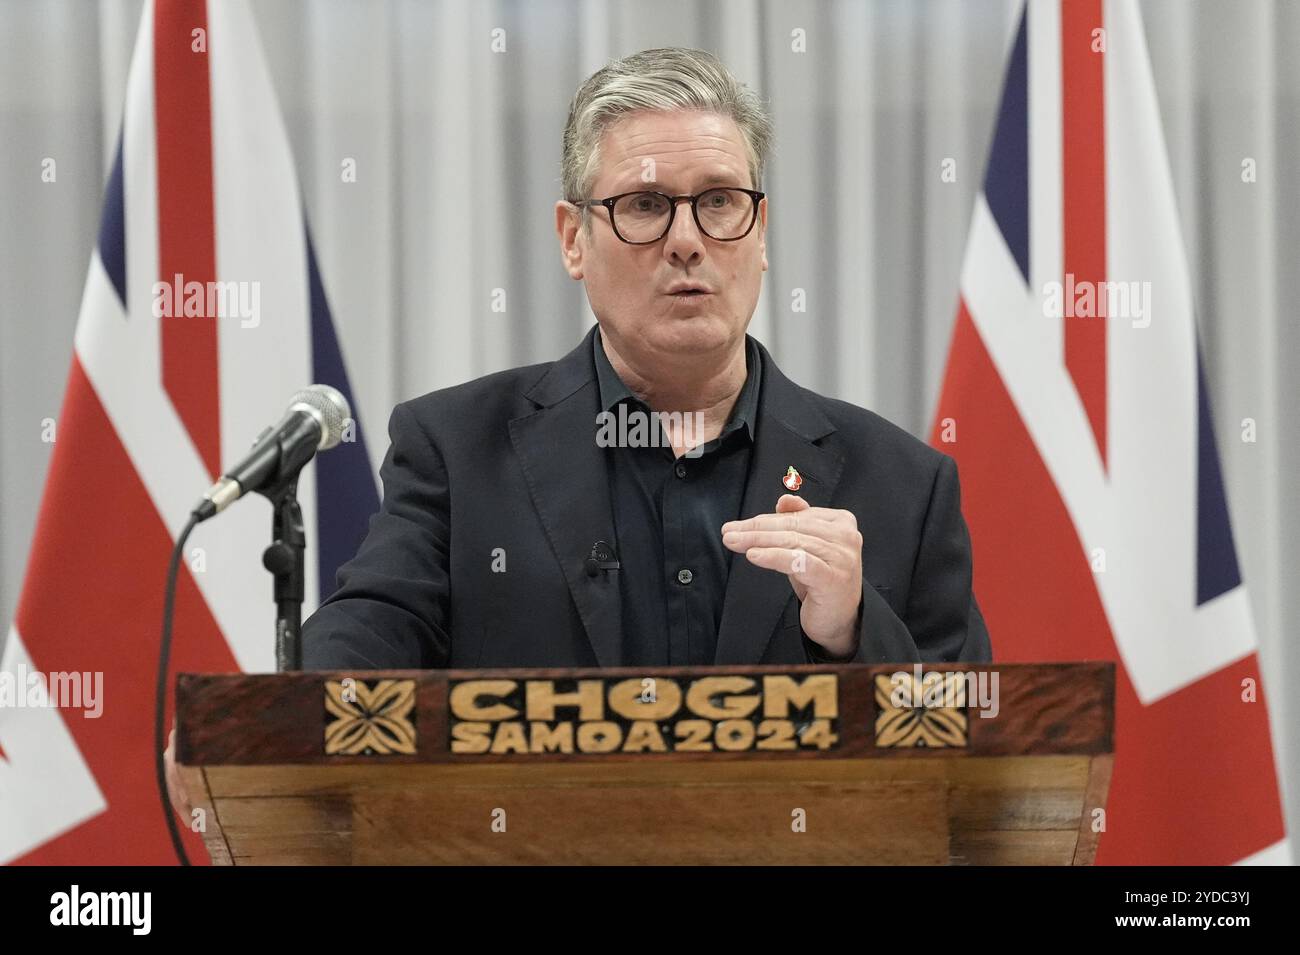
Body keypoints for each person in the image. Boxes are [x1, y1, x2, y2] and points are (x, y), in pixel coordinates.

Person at [165, 47, 989, 819]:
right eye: (643, 205)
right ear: (572, 239)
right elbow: (374, 626)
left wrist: (854, 634)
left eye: (720, 202)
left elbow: (977, 765)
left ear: (761, 233)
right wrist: (261, 725)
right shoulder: (459, 450)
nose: (687, 240)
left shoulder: (901, 484)